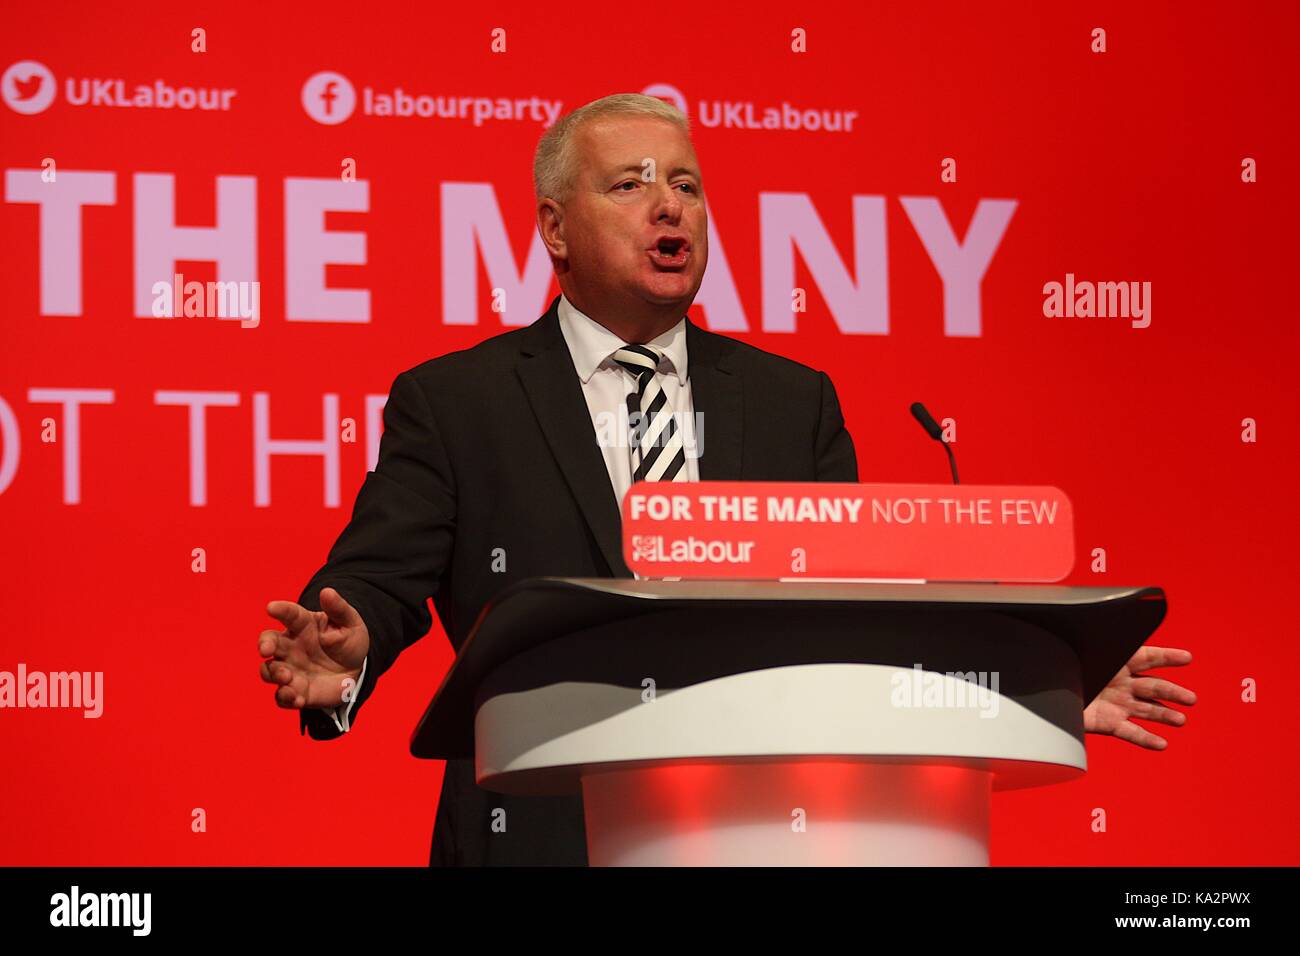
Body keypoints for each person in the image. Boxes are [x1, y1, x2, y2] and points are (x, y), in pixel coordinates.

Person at [257, 93, 1195, 866]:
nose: (670, 206)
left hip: (771, 827)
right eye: (631, 185)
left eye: (688, 186)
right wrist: (348, 657)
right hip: (539, 827)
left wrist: (1035, 684)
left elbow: (863, 612)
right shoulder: (458, 401)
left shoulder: (796, 402)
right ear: (554, 227)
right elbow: (379, 582)